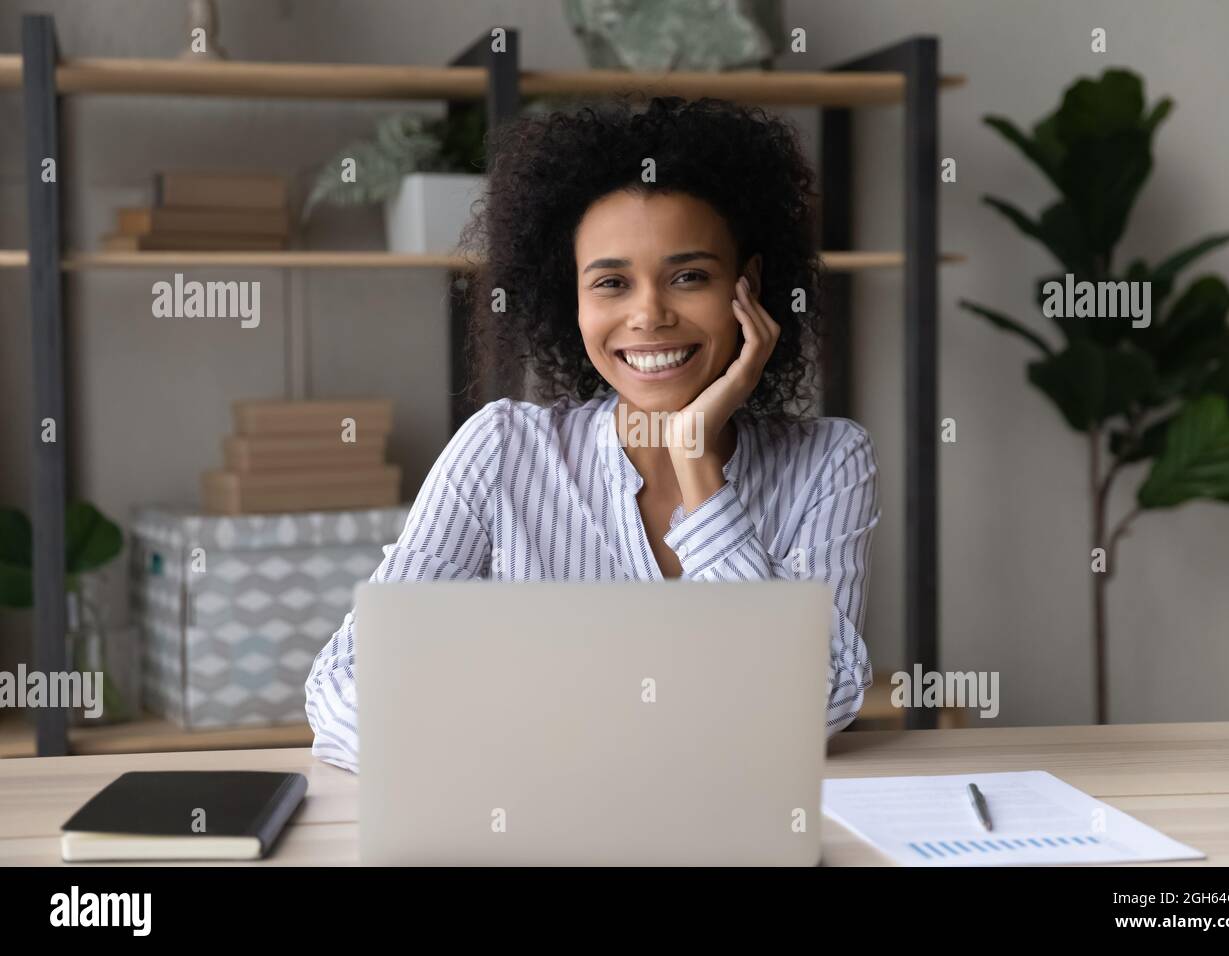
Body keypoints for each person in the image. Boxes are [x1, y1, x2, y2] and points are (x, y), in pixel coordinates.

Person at [305, 96, 880, 773]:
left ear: (746, 287)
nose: (649, 314)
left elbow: (809, 703)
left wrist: (696, 461)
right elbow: (345, 679)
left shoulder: (830, 462)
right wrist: (491, 758)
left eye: (688, 276)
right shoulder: (502, 451)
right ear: (571, 300)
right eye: (611, 283)